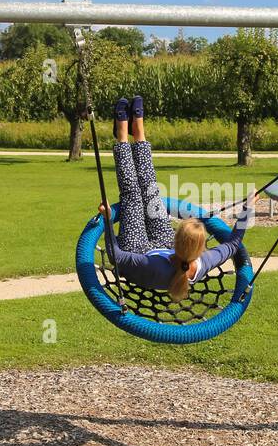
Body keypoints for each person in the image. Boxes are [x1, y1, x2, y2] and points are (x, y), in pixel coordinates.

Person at [99, 95, 251, 302]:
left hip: (138, 252)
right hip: (163, 244)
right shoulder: (203, 262)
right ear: (199, 250)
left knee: (132, 195)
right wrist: (248, 208)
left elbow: (117, 257)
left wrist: (108, 220)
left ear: (177, 239)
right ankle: (139, 132)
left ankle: (123, 134)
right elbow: (232, 245)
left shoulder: (153, 266)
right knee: (151, 191)